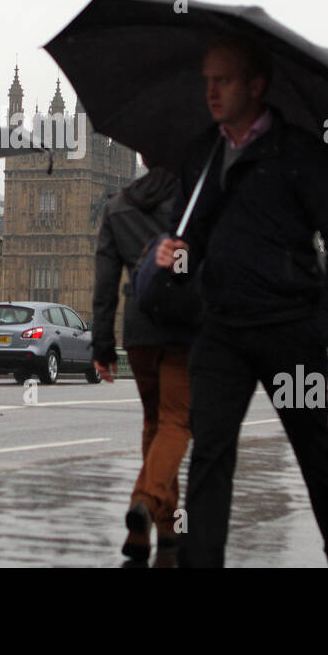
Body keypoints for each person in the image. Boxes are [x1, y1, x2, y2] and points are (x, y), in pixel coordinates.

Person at [154, 38, 328, 568]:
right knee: (210, 455)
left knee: (314, 451)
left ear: (256, 85)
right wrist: (174, 259)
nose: (211, 91)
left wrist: (324, 328)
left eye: (222, 80)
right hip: (221, 329)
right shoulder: (203, 154)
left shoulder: (298, 152)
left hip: (289, 329)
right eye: (207, 80)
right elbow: (192, 242)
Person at [91, 162, 188, 564]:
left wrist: (102, 345)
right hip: (182, 326)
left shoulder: (116, 206)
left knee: (156, 422)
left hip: (139, 327)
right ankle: (144, 501)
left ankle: (162, 529)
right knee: (177, 422)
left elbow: (105, 280)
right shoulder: (192, 201)